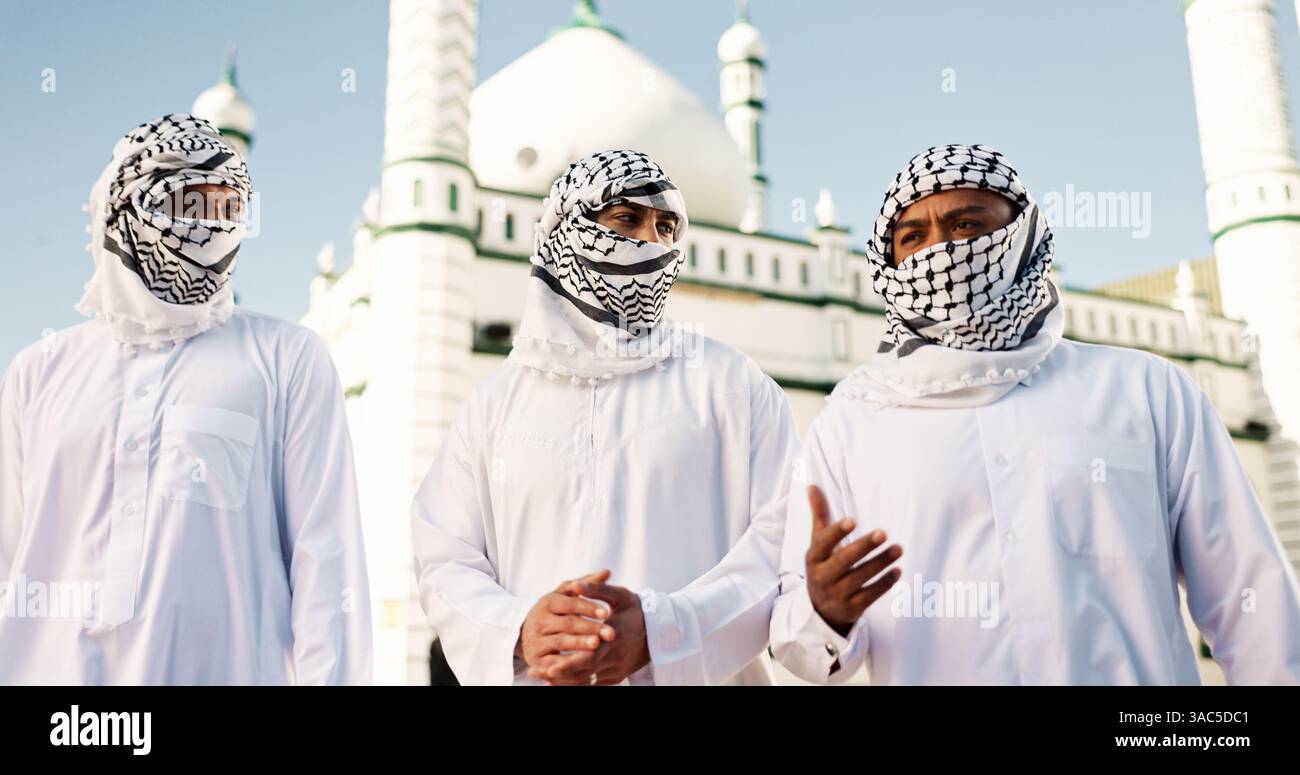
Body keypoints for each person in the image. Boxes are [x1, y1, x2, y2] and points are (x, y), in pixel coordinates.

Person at [769, 143, 1300, 685]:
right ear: (890, 263)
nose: (941, 252)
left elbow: (1251, 602)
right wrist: (825, 609)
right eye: (913, 237)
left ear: (1022, 236)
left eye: (965, 225)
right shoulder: (853, 423)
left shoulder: (1144, 391)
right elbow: (804, 651)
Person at [0, 114, 372, 684]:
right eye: (190, 206)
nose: (211, 231)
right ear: (128, 207)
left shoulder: (285, 357)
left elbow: (326, 564)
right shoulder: (38, 372)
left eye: (228, 212)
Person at [411, 149, 797, 685]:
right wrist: (521, 627)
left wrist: (666, 633)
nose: (651, 243)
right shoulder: (493, 405)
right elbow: (444, 556)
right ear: (567, 230)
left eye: (666, 227)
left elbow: (779, 544)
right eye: (625, 219)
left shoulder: (730, 384)